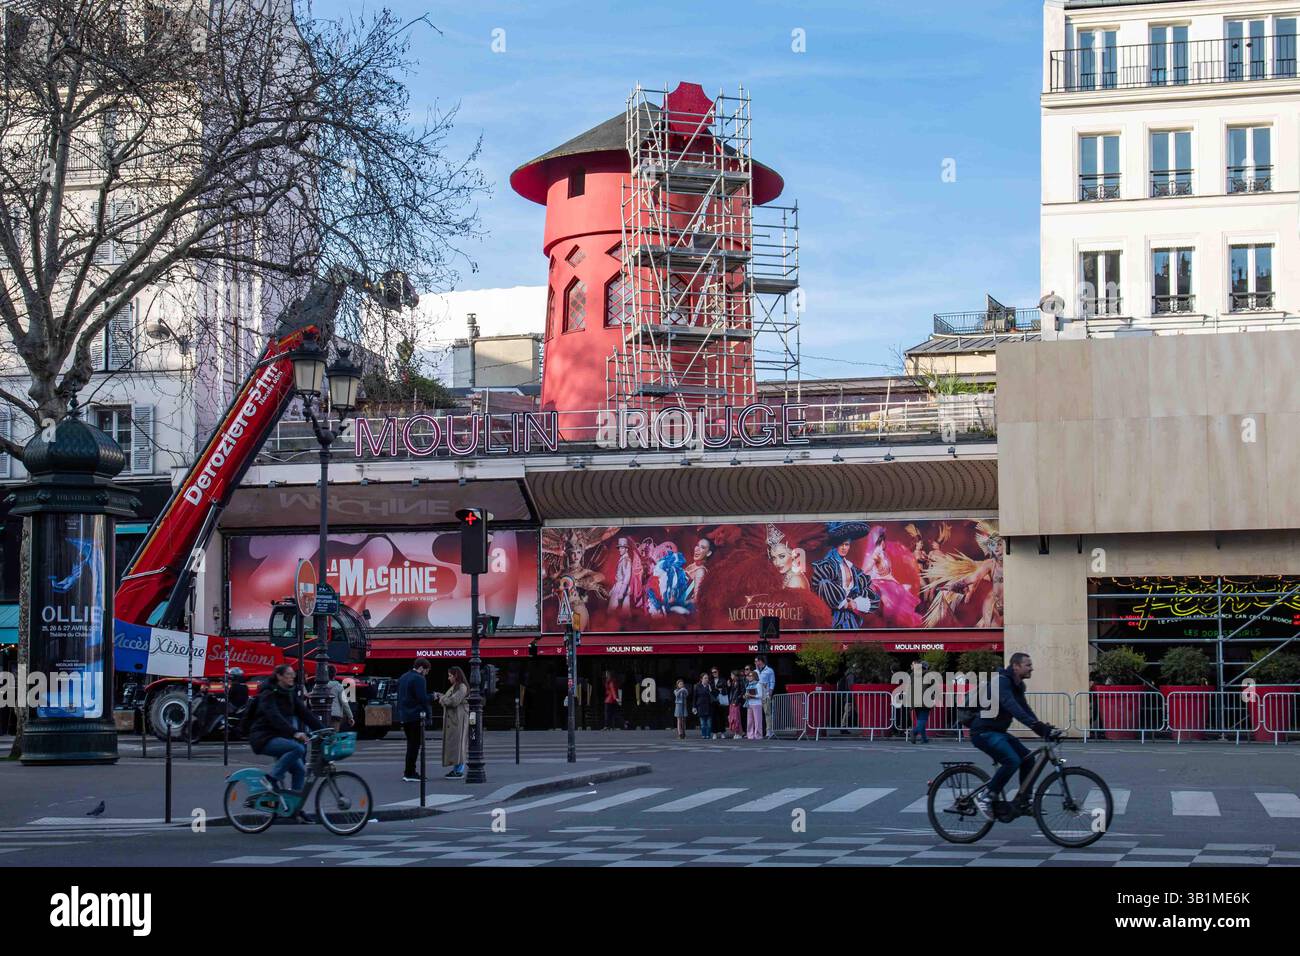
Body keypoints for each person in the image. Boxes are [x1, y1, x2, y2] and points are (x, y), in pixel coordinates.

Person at [969, 653, 1058, 819]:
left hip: (998, 732)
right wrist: (1035, 726)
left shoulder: (1019, 685)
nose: (1032, 668)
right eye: (1028, 665)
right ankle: (986, 797)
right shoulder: (1002, 682)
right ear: (1016, 666)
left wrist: (1041, 727)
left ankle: (1023, 801)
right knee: (1012, 761)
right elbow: (1012, 707)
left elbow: (1024, 708)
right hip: (983, 732)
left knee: (1028, 759)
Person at [248, 664, 323, 793]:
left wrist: (324, 730)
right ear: (279, 676)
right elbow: (274, 716)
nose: (292, 677)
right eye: (288, 674)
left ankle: (294, 809)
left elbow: (305, 714)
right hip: (264, 737)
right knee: (297, 748)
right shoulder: (268, 693)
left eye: (293, 674)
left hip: (281, 737)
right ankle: (270, 778)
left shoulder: (289, 693)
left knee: (299, 771)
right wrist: (294, 733)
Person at [396, 659, 432, 782]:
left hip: (405, 715)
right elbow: (423, 698)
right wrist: (433, 696)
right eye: (426, 671)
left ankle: (408, 771)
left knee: (410, 745)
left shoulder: (403, 677)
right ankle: (410, 772)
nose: (426, 674)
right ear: (422, 668)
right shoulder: (419, 679)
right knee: (415, 745)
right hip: (416, 715)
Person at [438, 666, 470, 778]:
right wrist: (444, 698)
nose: (448, 678)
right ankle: (456, 768)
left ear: (456, 675)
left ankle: (459, 770)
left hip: (458, 720)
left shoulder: (462, 687)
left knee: (459, 744)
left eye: (450, 675)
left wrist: (442, 698)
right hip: (455, 720)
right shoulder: (455, 687)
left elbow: (453, 701)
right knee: (455, 745)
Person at [325, 666, 354, 732]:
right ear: (334, 674)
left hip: (323, 715)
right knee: (333, 735)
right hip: (335, 715)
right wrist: (350, 717)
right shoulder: (339, 687)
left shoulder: (319, 685)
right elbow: (345, 703)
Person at [754, 656, 776, 738]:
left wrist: (770, 691)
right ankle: (759, 731)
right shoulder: (755, 671)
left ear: (761, 661)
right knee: (758, 714)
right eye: (755, 661)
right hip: (757, 694)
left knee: (767, 713)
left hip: (765, 693)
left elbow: (772, 681)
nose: (755, 663)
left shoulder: (769, 670)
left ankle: (769, 731)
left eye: (756, 661)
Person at [743, 667, 764, 740]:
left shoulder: (758, 684)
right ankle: (750, 735)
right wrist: (745, 696)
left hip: (757, 704)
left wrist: (750, 695)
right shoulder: (748, 685)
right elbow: (747, 694)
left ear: (755, 677)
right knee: (749, 721)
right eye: (749, 676)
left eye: (751, 675)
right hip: (749, 704)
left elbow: (760, 695)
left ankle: (758, 735)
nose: (749, 677)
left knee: (757, 721)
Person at [692, 672, 714, 740]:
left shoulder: (709, 686)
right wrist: (694, 706)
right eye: (705, 678)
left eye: (707, 678)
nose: (707, 679)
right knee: (702, 723)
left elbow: (713, 696)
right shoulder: (697, 686)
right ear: (701, 679)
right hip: (701, 706)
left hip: (709, 706)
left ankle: (708, 735)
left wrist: (710, 690)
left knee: (709, 723)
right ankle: (704, 735)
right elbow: (694, 697)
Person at [710, 667, 728, 740]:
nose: (714, 673)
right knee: (714, 718)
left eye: (715, 672)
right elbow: (709, 691)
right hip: (713, 701)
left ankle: (722, 732)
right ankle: (714, 733)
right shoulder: (710, 681)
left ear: (718, 672)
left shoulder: (723, 680)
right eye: (713, 672)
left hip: (721, 700)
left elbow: (726, 689)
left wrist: (720, 690)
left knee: (721, 717)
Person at [727, 669, 744, 739]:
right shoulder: (733, 682)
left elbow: (742, 691)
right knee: (733, 718)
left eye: (732, 675)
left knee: (737, 718)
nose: (731, 676)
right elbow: (731, 693)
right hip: (732, 701)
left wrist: (737, 701)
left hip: (736, 702)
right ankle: (735, 732)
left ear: (735, 675)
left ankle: (739, 733)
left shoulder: (740, 682)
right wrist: (729, 686)